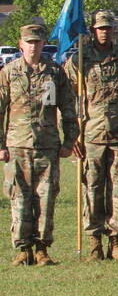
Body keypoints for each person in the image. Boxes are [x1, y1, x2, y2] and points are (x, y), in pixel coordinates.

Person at [65, 10, 118, 261]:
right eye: (100, 28)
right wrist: (72, 134)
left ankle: (116, 243)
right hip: (91, 135)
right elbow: (69, 100)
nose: (105, 32)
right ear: (92, 30)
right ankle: (94, 243)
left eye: (108, 28)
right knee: (93, 189)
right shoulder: (79, 60)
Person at [0, 22, 77, 266]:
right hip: (17, 146)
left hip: (47, 146)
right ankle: (23, 249)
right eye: (29, 42)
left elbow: (68, 108)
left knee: (46, 198)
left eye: (38, 42)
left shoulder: (55, 72)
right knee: (19, 197)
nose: (33, 46)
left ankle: (43, 249)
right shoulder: (9, 73)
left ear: (44, 44)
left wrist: (69, 140)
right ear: (21, 44)